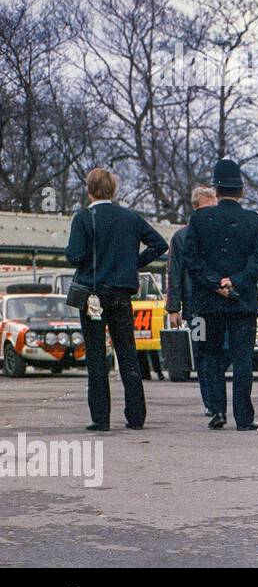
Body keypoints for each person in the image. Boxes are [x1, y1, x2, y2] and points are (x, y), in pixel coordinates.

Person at [65, 168, 168, 431]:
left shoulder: (83, 218)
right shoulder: (131, 218)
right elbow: (160, 245)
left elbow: (74, 256)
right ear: (113, 189)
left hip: (93, 295)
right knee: (128, 353)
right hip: (122, 293)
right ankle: (136, 415)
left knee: (96, 356)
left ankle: (101, 418)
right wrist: (132, 264)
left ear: (89, 190)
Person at [184, 159, 258, 431]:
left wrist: (214, 282)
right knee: (243, 358)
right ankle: (244, 417)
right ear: (241, 191)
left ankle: (217, 411)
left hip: (208, 301)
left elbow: (191, 259)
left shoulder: (199, 219)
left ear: (216, 191)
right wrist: (234, 281)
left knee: (210, 355)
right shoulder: (255, 221)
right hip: (242, 300)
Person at [166, 184, 219, 415]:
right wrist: (173, 308)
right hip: (196, 307)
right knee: (202, 354)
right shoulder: (181, 238)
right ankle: (210, 403)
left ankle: (214, 402)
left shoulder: (190, 236)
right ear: (196, 208)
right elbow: (174, 272)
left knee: (211, 353)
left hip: (214, 306)